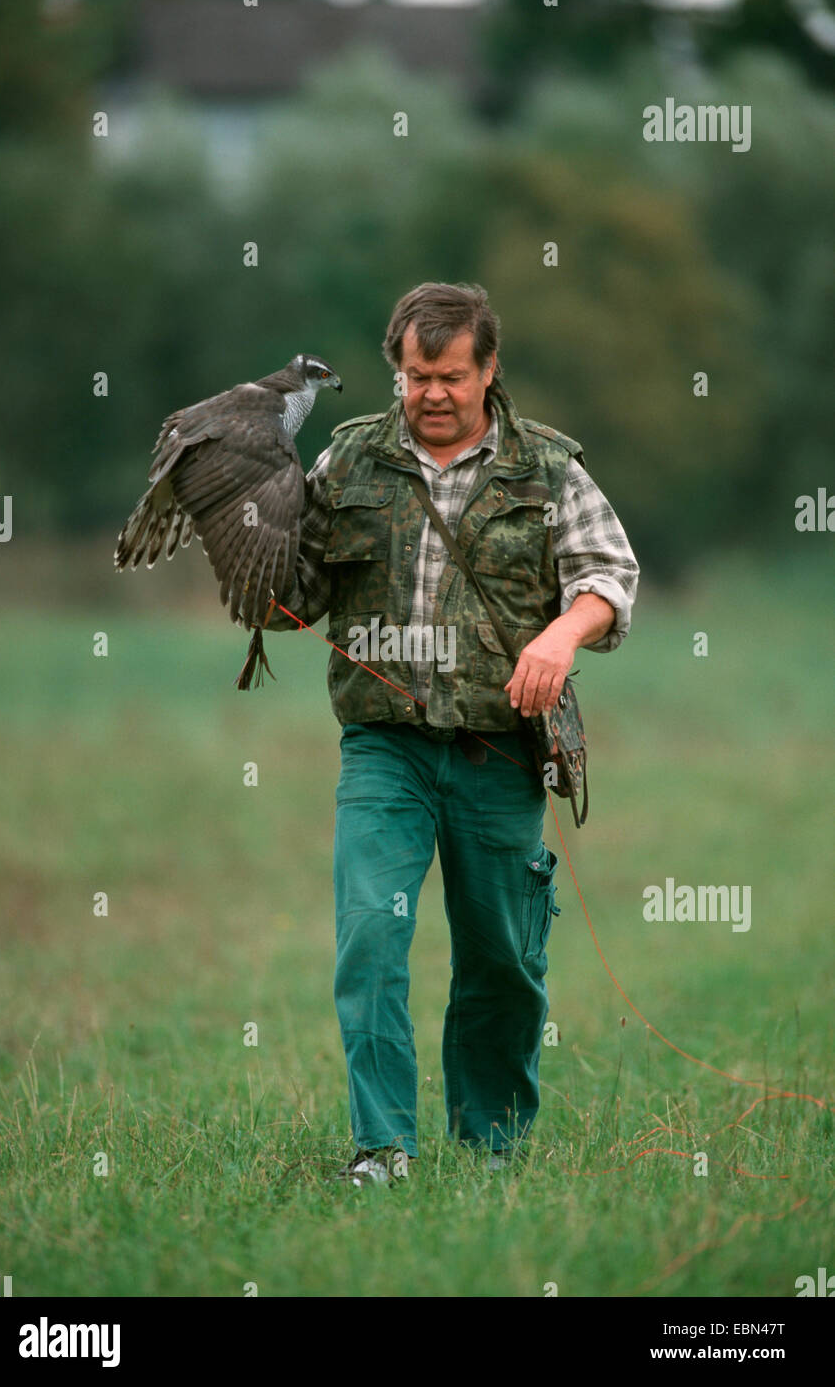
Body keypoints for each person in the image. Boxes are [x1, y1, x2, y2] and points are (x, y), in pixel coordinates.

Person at [263, 282, 639, 1185]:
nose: (432, 393)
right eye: (415, 374)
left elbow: (608, 576)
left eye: (451, 376)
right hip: (383, 747)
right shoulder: (347, 462)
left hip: (500, 747)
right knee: (368, 939)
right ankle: (383, 1148)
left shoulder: (546, 467)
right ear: (396, 368)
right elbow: (296, 594)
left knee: (501, 959)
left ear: (489, 369)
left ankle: (491, 1148)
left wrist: (560, 634)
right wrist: (246, 549)